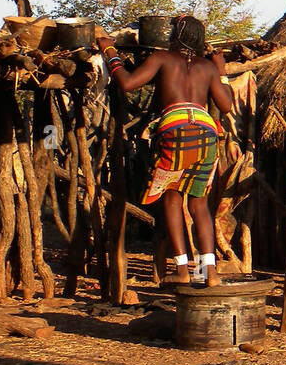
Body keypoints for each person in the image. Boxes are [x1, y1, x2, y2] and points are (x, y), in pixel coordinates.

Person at [96, 16, 233, 286]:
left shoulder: (161, 58)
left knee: (171, 197)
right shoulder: (207, 67)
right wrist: (222, 70)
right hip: (206, 134)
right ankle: (211, 273)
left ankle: (182, 270)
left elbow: (126, 83)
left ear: (175, 34)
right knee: (199, 204)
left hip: (175, 132)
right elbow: (226, 105)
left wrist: (109, 52)